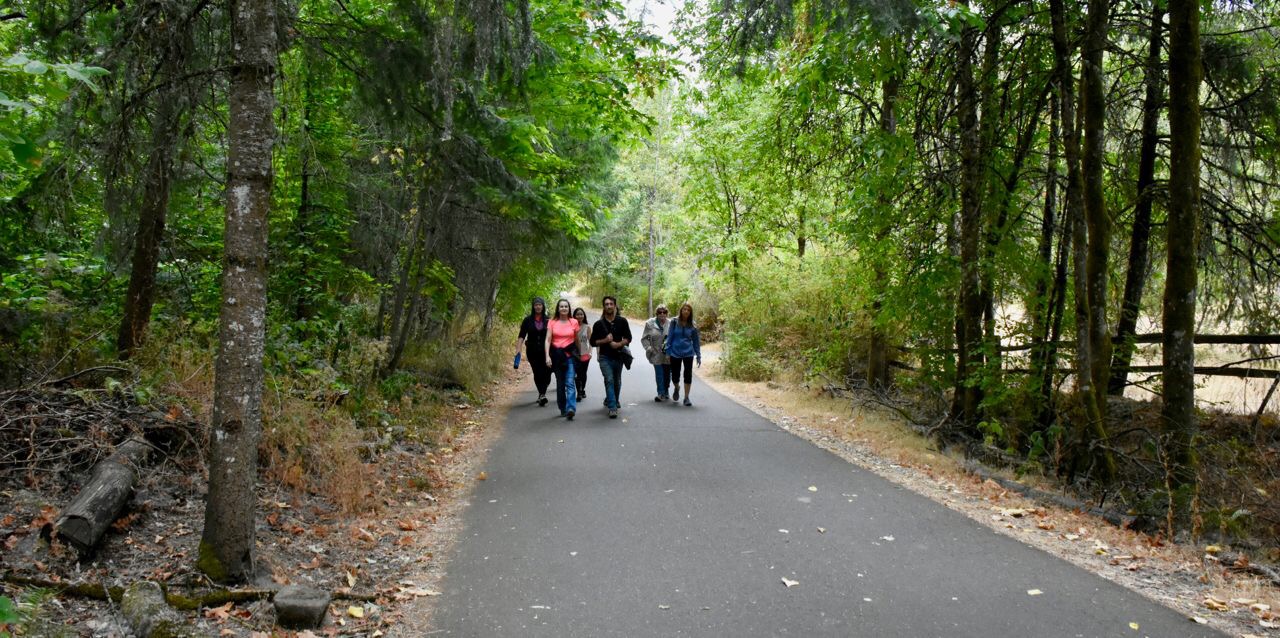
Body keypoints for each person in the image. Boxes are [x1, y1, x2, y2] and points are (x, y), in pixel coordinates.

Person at [590, 296, 632, 419]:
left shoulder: (622, 321)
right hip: (605, 357)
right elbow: (593, 342)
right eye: (606, 304)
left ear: (615, 306)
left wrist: (618, 344)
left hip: (619, 357)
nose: (609, 306)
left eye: (611, 304)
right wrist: (605, 340)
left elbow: (628, 338)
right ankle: (612, 407)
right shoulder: (598, 324)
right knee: (609, 379)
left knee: (617, 381)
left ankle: (612, 399)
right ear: (604, 307)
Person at [545, 299, 579, 420]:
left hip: (569, 356)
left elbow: (576, 340)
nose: (564, 308)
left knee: (570, 382)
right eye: (561, 306)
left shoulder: (574, 322)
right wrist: (547, 356)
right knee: (560, 384)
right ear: (558, 309)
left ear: (569, 309)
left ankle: (571, 408)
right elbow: (548, 339)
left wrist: (581, 354)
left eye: (566, 306)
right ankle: (563, 408)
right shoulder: (552, 322)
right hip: (557, 356)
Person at [516, 296, 551, 406]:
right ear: (533, 306)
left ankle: (542, 393)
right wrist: (518, 350)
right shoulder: (527, 320)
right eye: (536, 305)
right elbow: (521, 336)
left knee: (547, 373)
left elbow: (552, 337)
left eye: (540, 304)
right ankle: (542, 394)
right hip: (532, 351)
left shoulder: (548, 320)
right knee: (537, 372)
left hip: (546, 351)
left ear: (543, 306)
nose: (538, 307)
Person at [666, 302, 701, 406]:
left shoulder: (693, 325)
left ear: (690, 313)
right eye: (684, 309)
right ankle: (677, 387)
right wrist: (668, 352)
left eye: (688, 310)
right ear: (681, 310)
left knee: (688, 375)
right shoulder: (674, 321)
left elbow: (696, 341)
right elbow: (670, 337)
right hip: (675, 352)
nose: (686, 311)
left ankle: (686, 398)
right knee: (675, 376)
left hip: (688, 353)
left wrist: (698, 356)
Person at [641, 304, 673, 402]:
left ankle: (666, 390)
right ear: (657, 313)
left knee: (667, 374)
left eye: (664, 312)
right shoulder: (650, 323)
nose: (662, 314)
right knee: (659, 374)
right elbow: (644, 338)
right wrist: (649, 348)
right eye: (660, 312)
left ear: (667, 313)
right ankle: (661, 393)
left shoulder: (671, 323)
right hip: (656, 353)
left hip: (668, 354)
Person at [572, 307, 592, 401]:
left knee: (583, 373)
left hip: (585, 353)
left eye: (581, 314)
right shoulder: (571, 327)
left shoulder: (587, 327)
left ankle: (582, 388)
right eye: (577, 314)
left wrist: (590, 352)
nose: (579, 316)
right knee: (576, 373)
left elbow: (590, 341)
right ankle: (579, 392)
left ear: (584, 316)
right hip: (574, 353)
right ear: (574, 316)